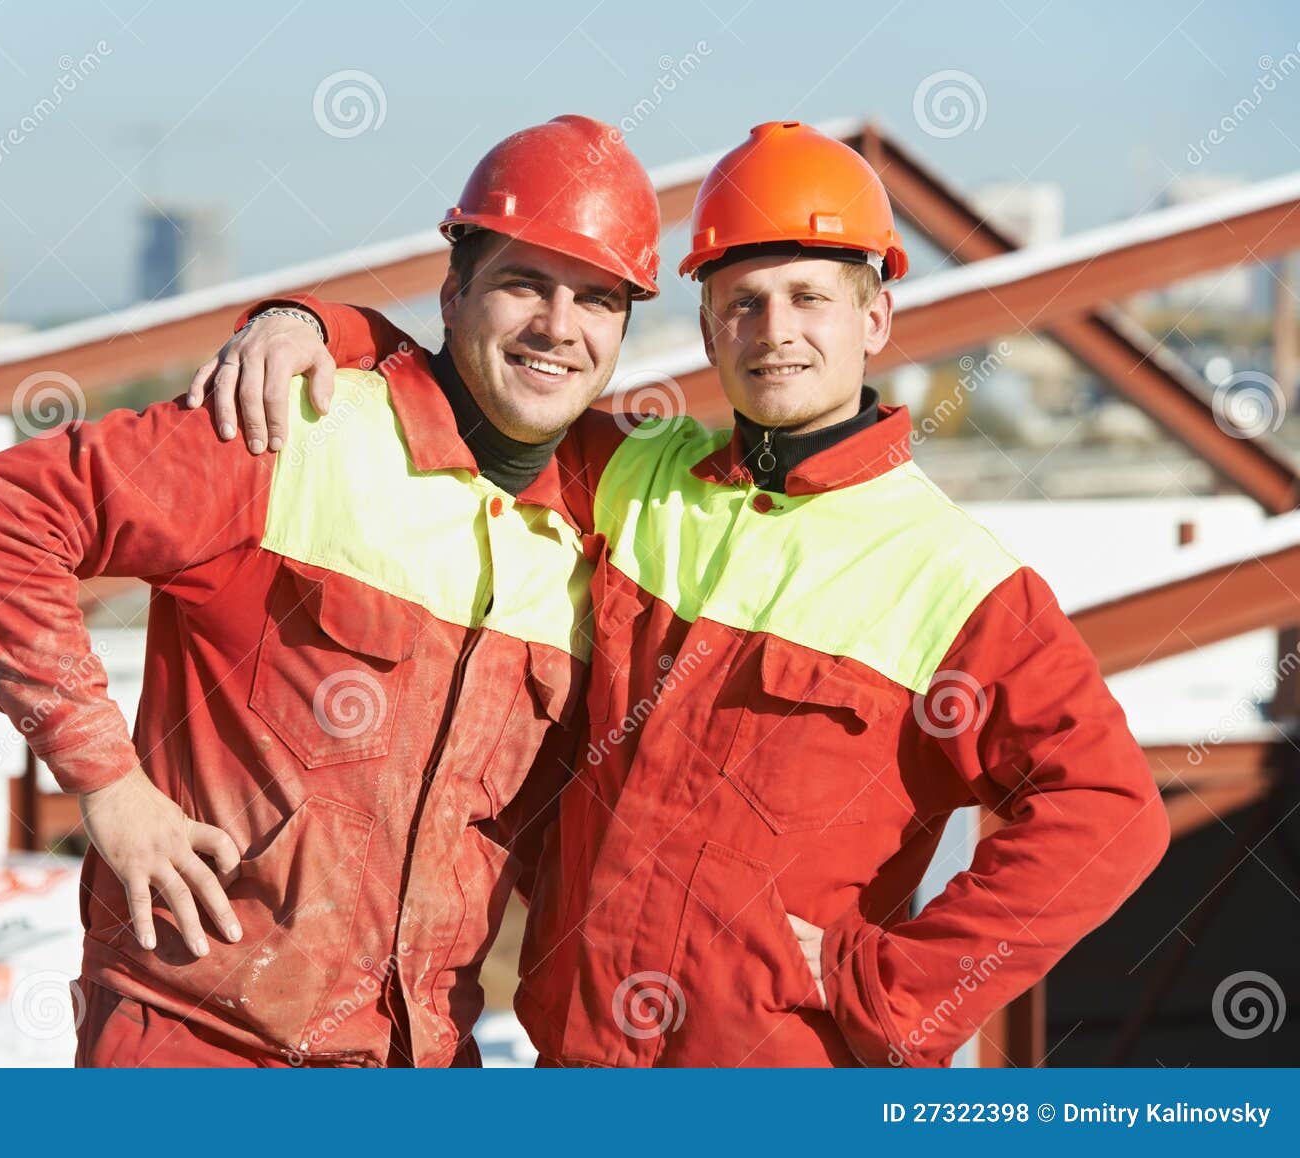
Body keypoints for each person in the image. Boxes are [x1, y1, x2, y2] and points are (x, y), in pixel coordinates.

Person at [202, 120, 1171, 1067]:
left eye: (808, 298)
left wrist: (893, 986)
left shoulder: (954, 577)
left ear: (874, 318)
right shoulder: (630, 476)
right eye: (741, 303)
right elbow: (475, 382)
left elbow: (1109, 811)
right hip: (575, 1065)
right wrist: (306, 321)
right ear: (706, 327)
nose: (774, 332)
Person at [0, 114, 659, 1067]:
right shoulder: (292, 426)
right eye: (523, 282)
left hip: (415, 1061)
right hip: (199, 1046)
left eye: (597, 300)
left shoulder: (599, 530)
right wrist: (106, 784)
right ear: (455, 290)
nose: (559, 326)